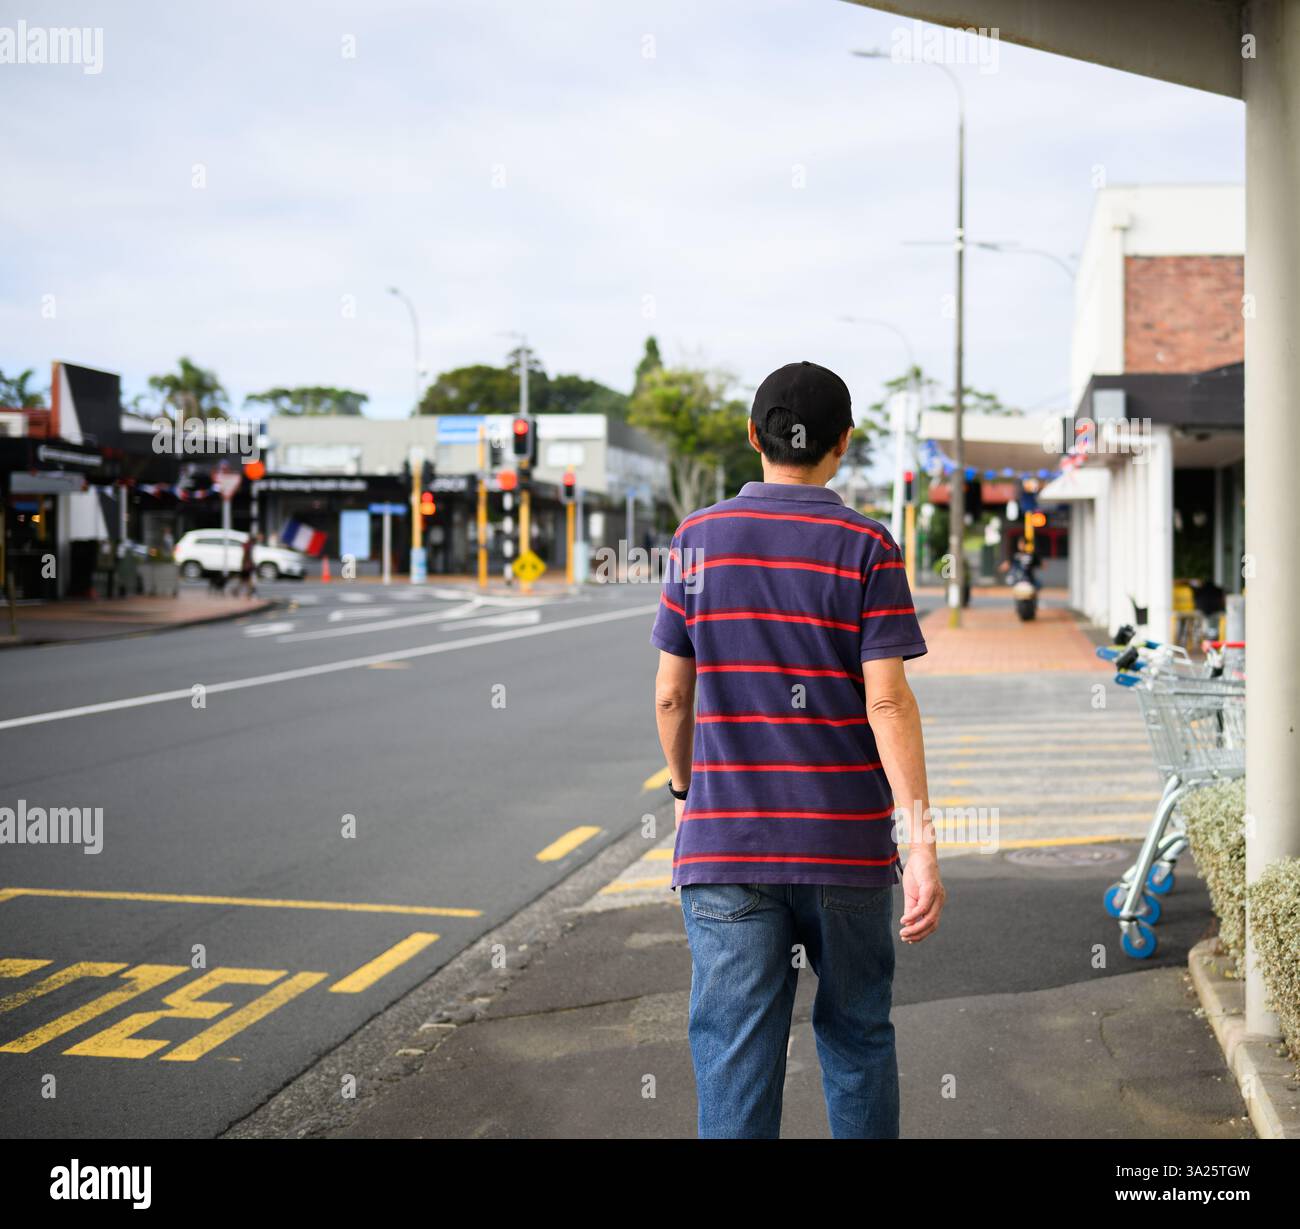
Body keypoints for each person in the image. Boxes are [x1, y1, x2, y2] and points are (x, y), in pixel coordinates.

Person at [651, 360, 945, 1140]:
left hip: (727, 848)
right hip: (844, 850)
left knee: (736, 1054)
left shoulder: (697, 540)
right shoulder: (868, 547)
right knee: (857, 1037)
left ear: (755, 435)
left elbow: (671, 696)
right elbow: (887, 701)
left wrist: (686, 797)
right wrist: (920, 845)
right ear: (843, 444)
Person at [237, 532, 258, 598]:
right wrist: (249, 564)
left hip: (246, 564)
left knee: (244, 580)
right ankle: (248, 593)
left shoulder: (248, 545)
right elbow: (247, 556)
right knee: (246, 580)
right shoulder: (249, 546)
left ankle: (246, 592)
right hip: (247, 565)